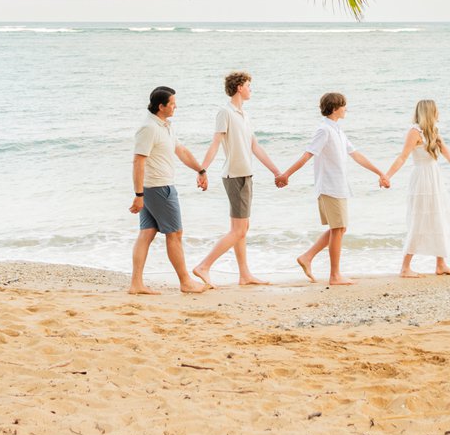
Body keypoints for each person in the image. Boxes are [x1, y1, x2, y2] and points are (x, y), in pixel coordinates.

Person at [278, 91, 388, 286]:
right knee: (337, 229)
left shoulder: (337, 130)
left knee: (340, 228)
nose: (346, 109)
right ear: (335, 108)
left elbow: (356, 155)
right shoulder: (324, 130)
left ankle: (307, 257)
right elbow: (307, 155)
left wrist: (380, 173)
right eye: (344, 106)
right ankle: (334, 275)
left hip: (339, 186)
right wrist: (286, 175)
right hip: (329, 186)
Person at [192, 71, 284, 289]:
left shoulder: (243, 114)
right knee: (239, 230)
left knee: (242, 228)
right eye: (249, 85)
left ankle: (244, 275)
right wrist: (202, 169)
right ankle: (204, 266)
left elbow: (255, 147)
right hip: (235, 175)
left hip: (245, 174)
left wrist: (276, 171)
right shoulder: (225, 112)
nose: (251, 89)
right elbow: (215, 143)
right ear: (239, 87)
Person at [130, 85, 211, 295]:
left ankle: (136, 284)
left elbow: (181, 151)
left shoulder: (165, 126)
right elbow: (138, 161)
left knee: (147, 233)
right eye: (172, 104)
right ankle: (185, 281)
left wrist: (200, 169)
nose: (175, 107)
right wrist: (138, 195)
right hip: (158, 188)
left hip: (156, 188)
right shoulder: (149, 128)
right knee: (174, 233)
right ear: (161, 106)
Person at [381, 99, 450, 277]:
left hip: (434, 178)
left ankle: (441, 264)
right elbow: (402, 157)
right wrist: (387, 176)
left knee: (440, 217)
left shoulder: (434, 132)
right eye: (436, 110)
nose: (438, 113)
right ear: (430, 112)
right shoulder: (414, 132)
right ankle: (405, 267)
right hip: (422, 180)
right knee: (419, 221)